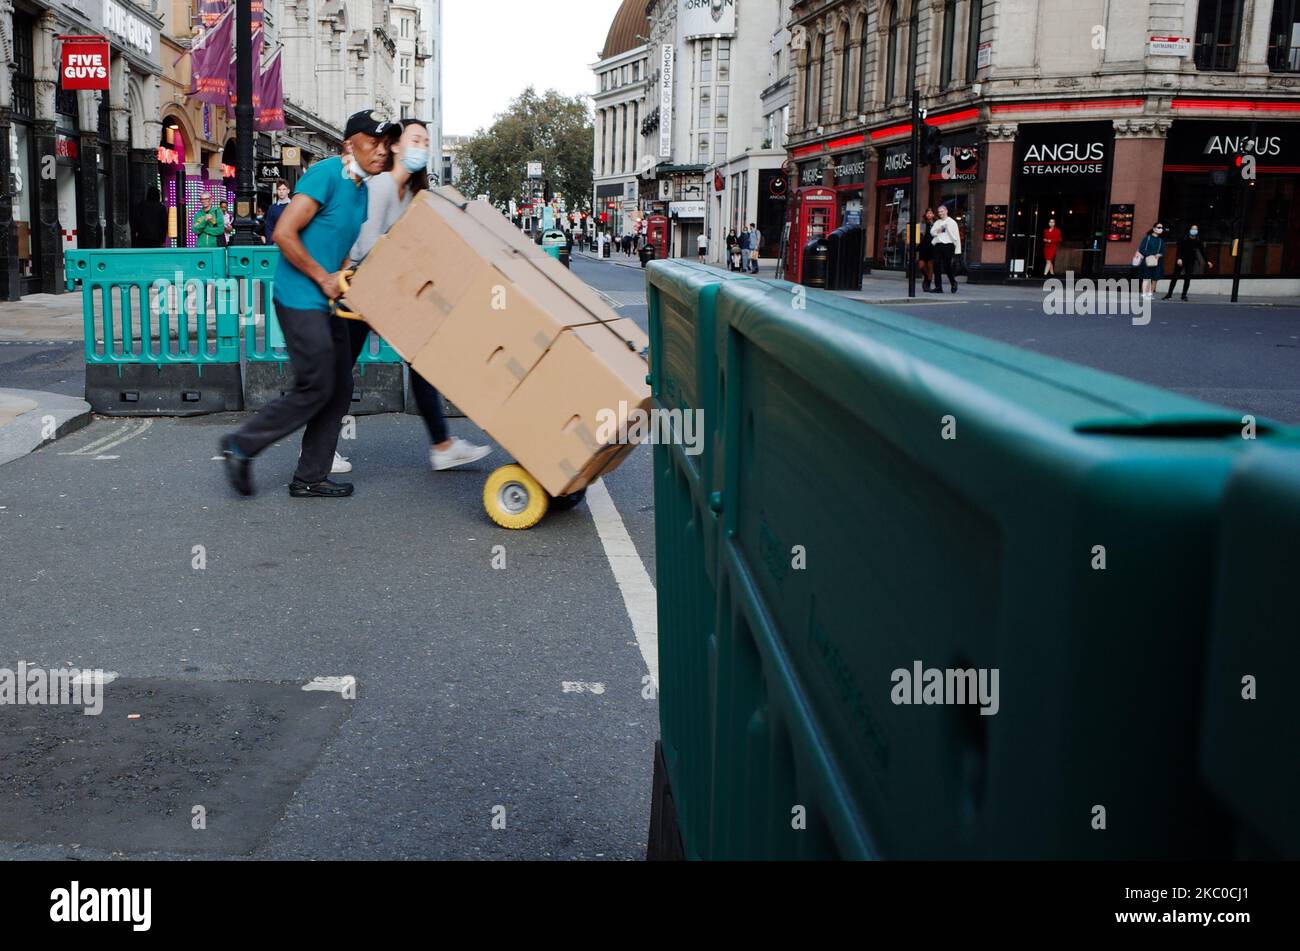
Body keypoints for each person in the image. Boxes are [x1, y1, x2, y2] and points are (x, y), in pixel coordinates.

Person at [219, 109, 398, 499]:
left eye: (387, 143)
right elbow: (284, 233)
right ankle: (241, 445)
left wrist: (348, 280)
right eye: (374, 141)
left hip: (327, 299)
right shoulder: (326, 175)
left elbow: (343, 248)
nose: (383, 150)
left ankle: (310, 476)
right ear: (349, 144)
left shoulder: (362, 189)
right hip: (299, 296)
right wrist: (323, 277)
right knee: (317, 383)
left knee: (339, 384)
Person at [344, 117, 491, 475]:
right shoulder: (379, 188)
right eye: (415, 140)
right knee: (335, 373)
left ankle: (442, 445)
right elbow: (363, 247)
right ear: (394, 145)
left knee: (422, 362)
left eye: (426, 142)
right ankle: (313, 449)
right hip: (354, 291)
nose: (421, 148)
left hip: (383, 292)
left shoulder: (412, 195)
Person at [1163, 224, 1212, 301]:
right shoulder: (1184, 238)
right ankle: (1169, 294)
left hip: (1191, 261)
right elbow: (1179, 249)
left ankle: (1184, 295)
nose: (1194, 230)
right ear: (1189, 230)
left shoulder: (1198, 240)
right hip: (1181, 260)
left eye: (1196, 229)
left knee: (1187, 278)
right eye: (1193, 229)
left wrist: (1207, 261)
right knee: (1175, 277)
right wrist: (1179, 258)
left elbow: (1202, 252)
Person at [930, 204, 962, 293]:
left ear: (946, 211)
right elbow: (932, 232)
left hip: (948, 245)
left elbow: (956, 237)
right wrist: (938, 230)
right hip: (938, 245)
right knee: (936, 265)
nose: (940, 213)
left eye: (942, 211)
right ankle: (938, 287)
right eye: (939, 212)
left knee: (947, 266)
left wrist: (957, 250)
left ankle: (953, 282)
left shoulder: (952, 222)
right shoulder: (937, 222)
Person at [1136, 222, 1166, 300]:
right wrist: (1151, 254)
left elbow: (1163, 252)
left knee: (1155, 278)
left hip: (1157, 262)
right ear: (1154, 228)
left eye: (1161, 228)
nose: (1160, 229)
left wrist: (1160, 255)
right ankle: (1144, 293)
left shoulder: (1161, 241)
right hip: (1147, 261)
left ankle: (1150, 294)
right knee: (1146, 277)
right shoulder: (1147, 238)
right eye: (1158, 227)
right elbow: (1142, 249)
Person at [263, 179, 291, 244]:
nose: (281, 191)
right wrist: (270, 244)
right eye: (279, 189)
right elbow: (269, 228)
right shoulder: (272, 208)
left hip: (292, 243)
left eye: (284, 189)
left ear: (288, 191)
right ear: (277, 191)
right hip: (276, 244)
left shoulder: (294, 206)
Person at [917, 208, 936, 291]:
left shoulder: (936, 224)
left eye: (931, 213)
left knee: (930, 265)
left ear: (933, 215)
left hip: (932, 246)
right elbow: (919, 234)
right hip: (923, 246)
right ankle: (926, 277)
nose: (929, 214)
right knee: (921, 265)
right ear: (925, 214)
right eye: (927, 213)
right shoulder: (922, 223)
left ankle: (928, 283)